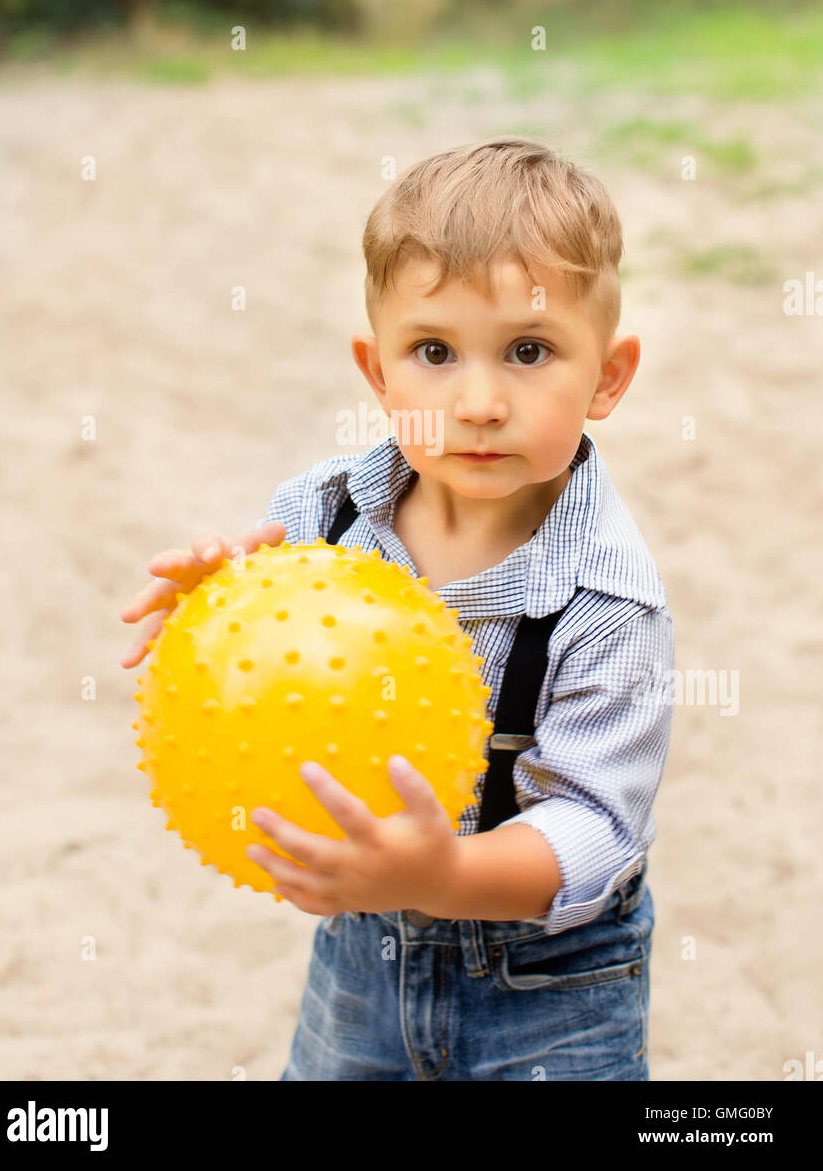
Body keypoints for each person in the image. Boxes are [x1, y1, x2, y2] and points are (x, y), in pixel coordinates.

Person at [120, 136, 675, 1081]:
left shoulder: (606, 601)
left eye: (529, 351)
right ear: (378, 375)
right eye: (433, 352)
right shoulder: (325, 515)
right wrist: (208, 601)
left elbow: (597, 826)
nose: (480, 401)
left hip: (553, 981)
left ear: (609, 376)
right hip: (363, 951)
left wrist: (447, 876)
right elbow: (263, 654)